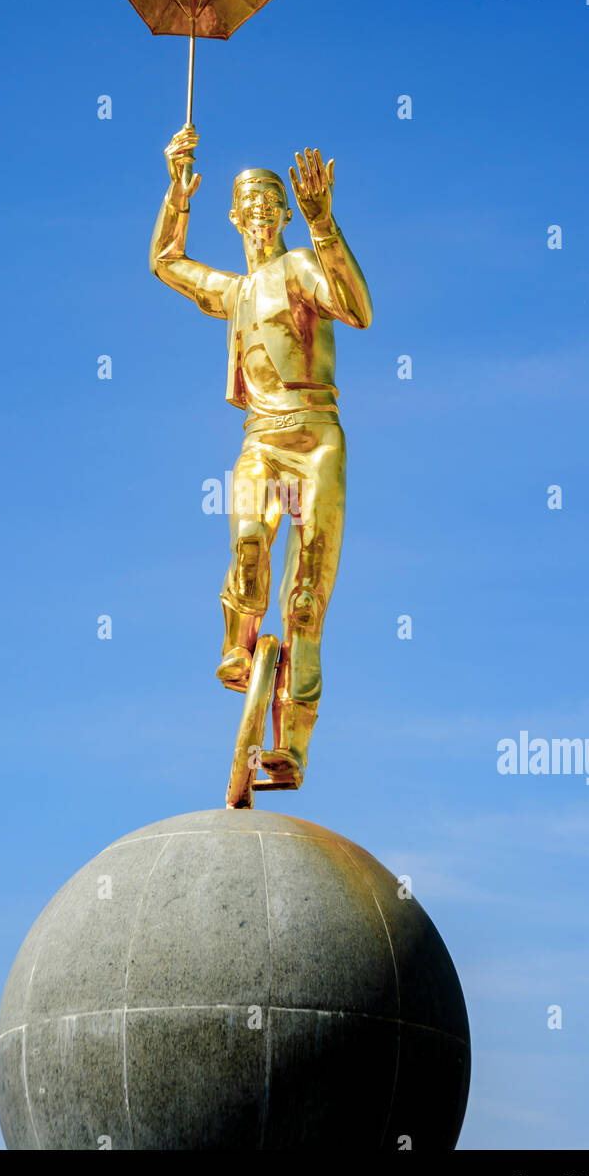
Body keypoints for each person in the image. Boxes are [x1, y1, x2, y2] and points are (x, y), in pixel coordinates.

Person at [149, 124, 373, 788]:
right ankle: (237, 646)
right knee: (248, 543)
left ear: (281, 215)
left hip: (315, 435)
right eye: (245, 209)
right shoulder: (235, 292)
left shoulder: (299, 267)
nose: (256, 218)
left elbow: (356, 310)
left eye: (267, 208)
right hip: (261, 435)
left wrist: (324, 224)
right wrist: (175, 191)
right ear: (233, 217)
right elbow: (166, 260)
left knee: (306, 597)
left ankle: (291, 747)